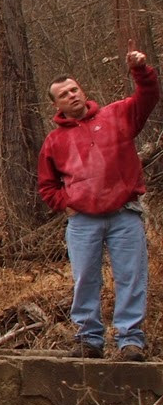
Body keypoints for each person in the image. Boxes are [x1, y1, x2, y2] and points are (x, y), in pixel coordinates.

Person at [37, 49, 159, 359]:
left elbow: (148, 97)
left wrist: (140, 70)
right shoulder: (54, 141)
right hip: (83, 221)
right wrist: (66, 203)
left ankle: (131, 339)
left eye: (74, 89)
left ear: (82, 90)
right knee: (85, 279)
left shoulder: (117, 115)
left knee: (131, 276)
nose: (72, 96)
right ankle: (89, 339)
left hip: (124, 213)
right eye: (64, 95)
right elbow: (46, 184)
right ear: (57, 105)